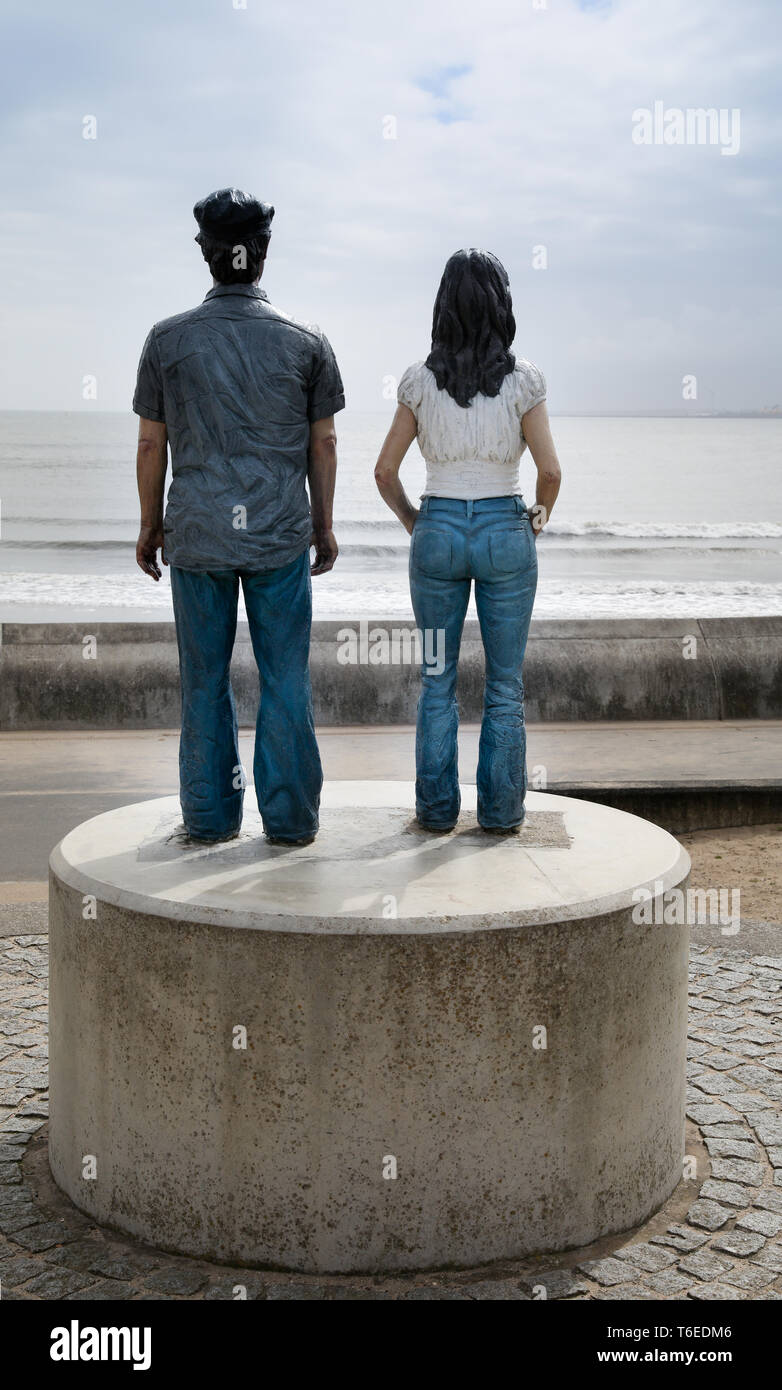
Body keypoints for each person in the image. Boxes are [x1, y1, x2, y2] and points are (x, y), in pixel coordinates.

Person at [133, 187, 344, 846]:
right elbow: (325, 443)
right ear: (263, 252)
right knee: (285, 677)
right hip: (280, 533)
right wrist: (324, 523)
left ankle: (210, 818)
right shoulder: (307, 340)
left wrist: (150, 524)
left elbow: (150, 444)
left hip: (197, 533)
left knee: (203, 682)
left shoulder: (166, 340)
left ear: (206, 253)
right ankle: (288, 822)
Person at [374, 248, 562, 833]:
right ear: (501, 305)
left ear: (443, 306)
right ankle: (502, 815)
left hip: (438, 530)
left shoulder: (418, 382)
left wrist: (417, 523)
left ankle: (434, 814)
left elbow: (384, 472)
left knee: (436, 680)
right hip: (506, 526)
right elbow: (550, 474)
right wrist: (534, 521)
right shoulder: (524, 381)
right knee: (504, 686)